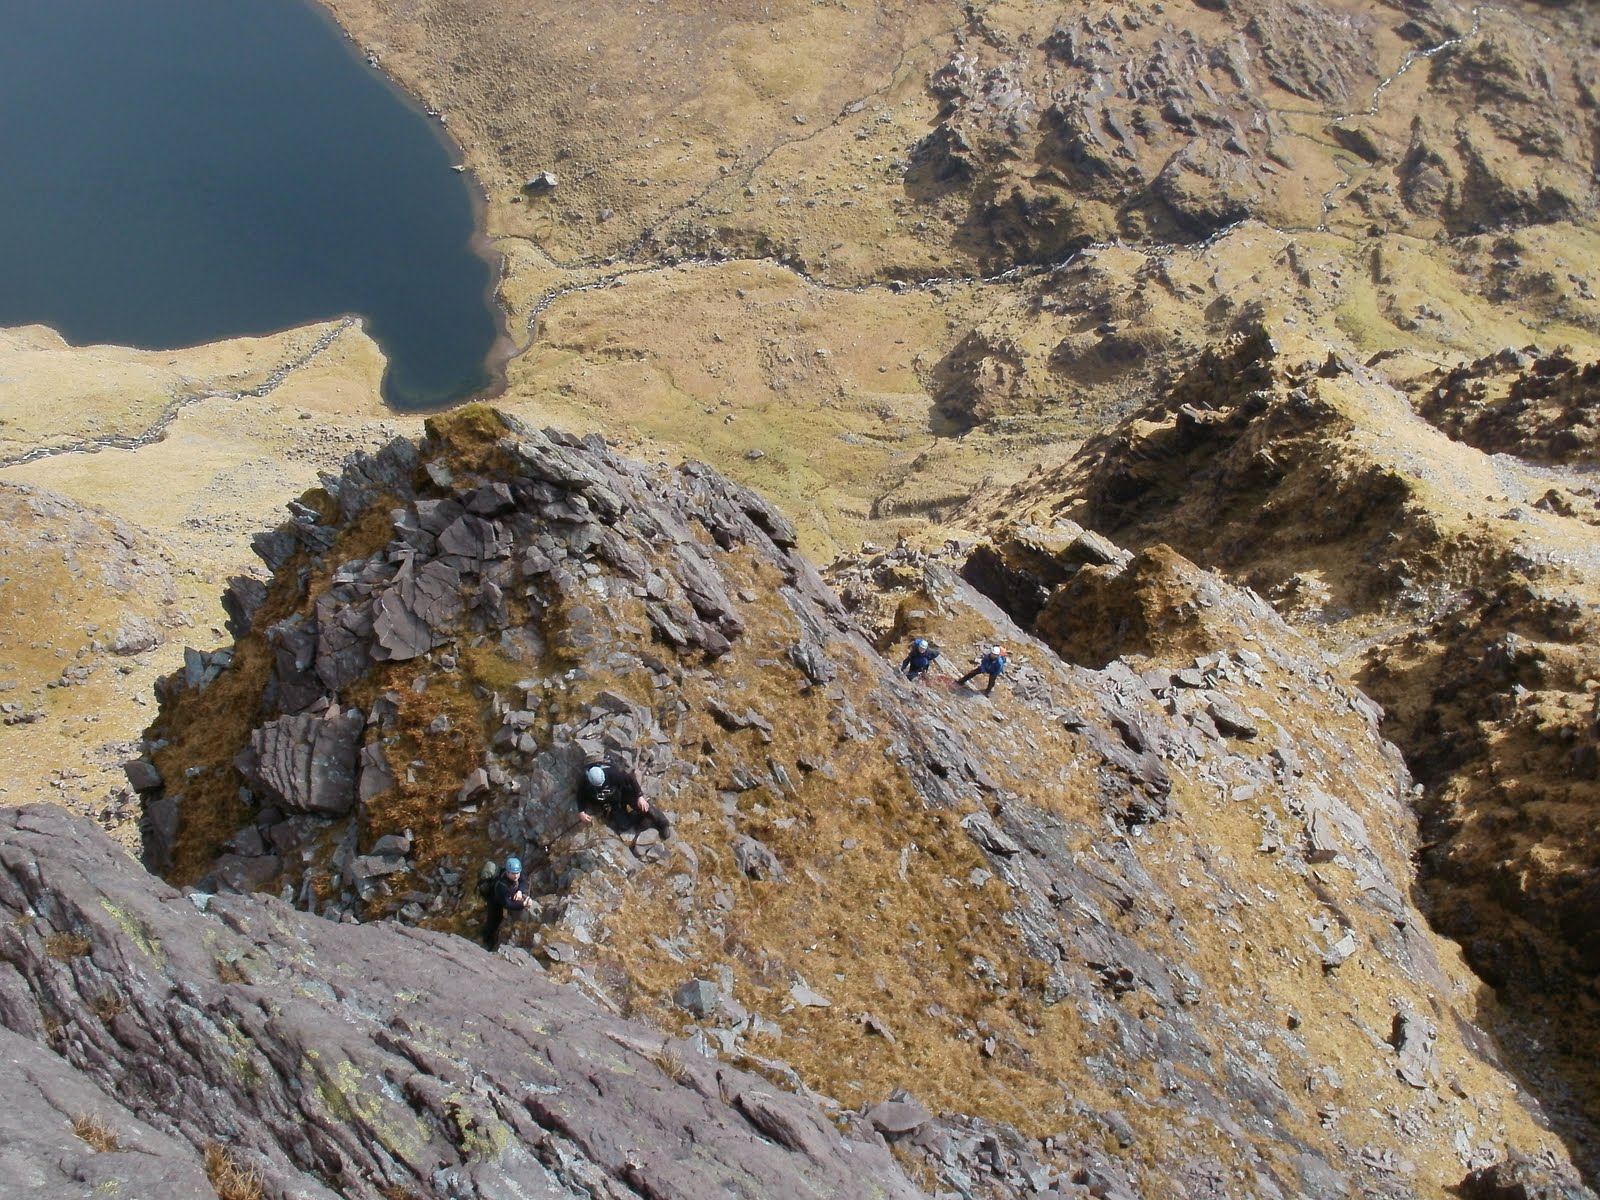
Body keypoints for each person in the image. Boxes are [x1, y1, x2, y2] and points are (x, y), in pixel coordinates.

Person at [579, 756, 671, 838]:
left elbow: (631, 780)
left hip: (624, 793)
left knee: (645, 807)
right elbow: (580, 796)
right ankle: (642, 818)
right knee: (623, 825)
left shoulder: (612, 773)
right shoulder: (585, 783)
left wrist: (640, 796)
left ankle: (663, 824)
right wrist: (581, 812)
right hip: (614, 803)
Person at [481, 857, 530, 951]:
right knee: (494, 920)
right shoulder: (501, 885)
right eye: (513, 873)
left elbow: (524, 880)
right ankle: (486, 939)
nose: (516, 876)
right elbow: (506, 904)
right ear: (507, 872)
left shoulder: (518, 873)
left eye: (517, 873)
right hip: (494, 900)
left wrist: (520, 891)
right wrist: (522, 905)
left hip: (506, 895)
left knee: (497, 919)